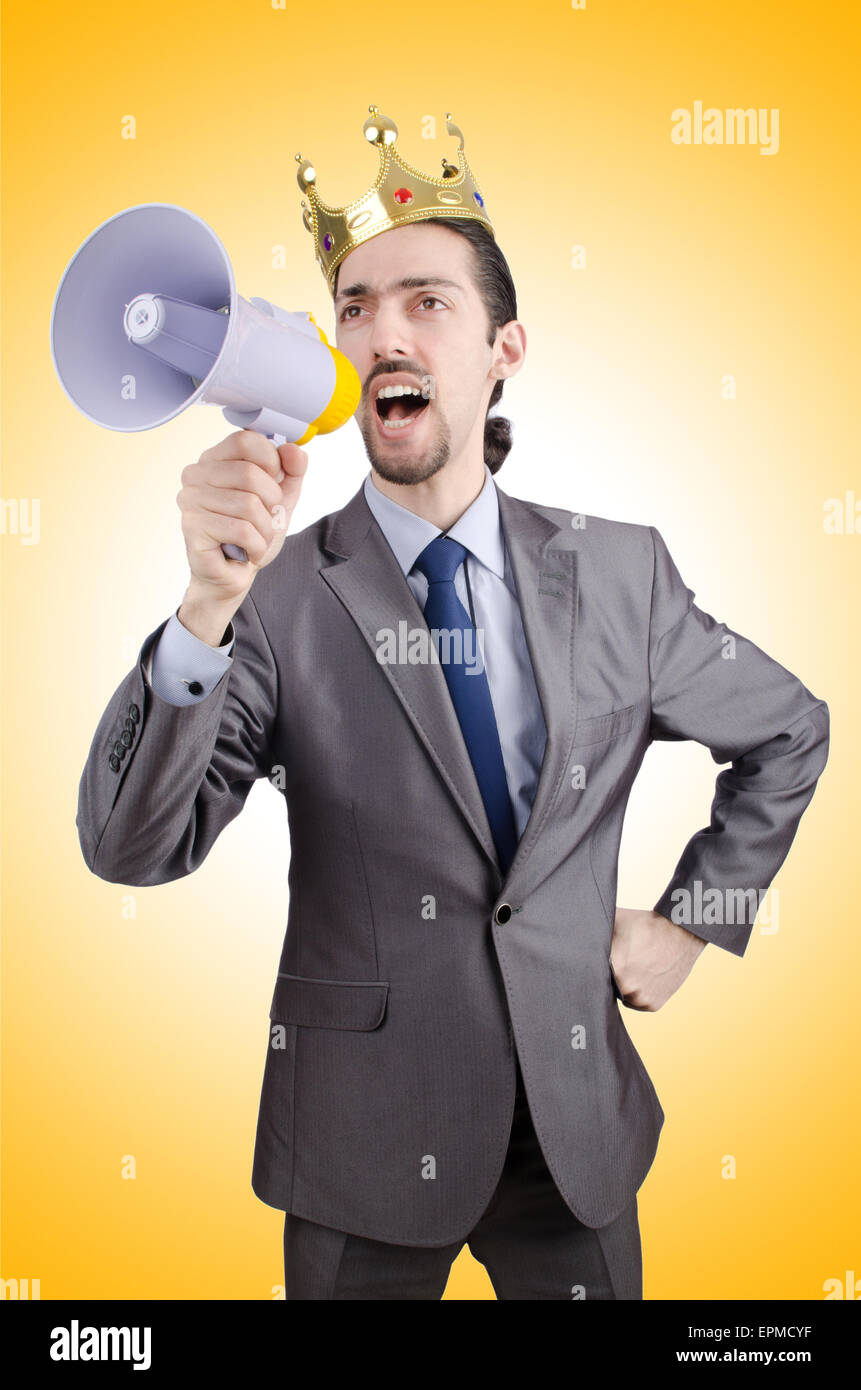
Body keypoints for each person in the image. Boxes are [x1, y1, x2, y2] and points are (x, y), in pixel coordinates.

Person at [77, 109, 830, 1299]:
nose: (384, 335)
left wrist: (693, 920)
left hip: (574, 1139)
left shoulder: (623, 574)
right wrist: (203, 606)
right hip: (359, 1151)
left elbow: (790, 731)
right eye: (357, 306)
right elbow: (132, 848)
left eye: (426, 301)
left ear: (503, 348)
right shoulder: (270, 601)